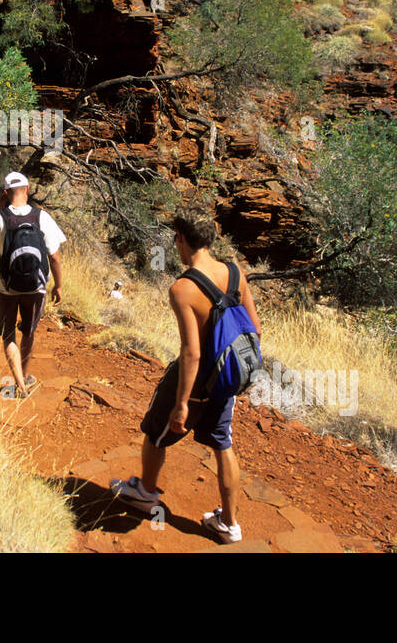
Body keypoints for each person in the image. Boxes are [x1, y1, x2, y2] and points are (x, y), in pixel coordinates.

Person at [110, 209, 261, 544]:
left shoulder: (183, 288)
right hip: (226, 381)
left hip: (193, 383)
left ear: (180, 239)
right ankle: (229, 523)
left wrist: (181, 404)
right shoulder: (237, 273)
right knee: (223, 445)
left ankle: (146, 493)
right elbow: (256, 330)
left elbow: (191, 352)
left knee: (155, 432)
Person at [0, 172, 65, 399]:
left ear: (6, 193)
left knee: (9, 335)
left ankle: (20, 385)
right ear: (27, 189)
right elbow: (55, 257)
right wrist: (58, 286)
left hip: (5, 286)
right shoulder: (42, 217)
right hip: (36, 287)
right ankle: (25, 375)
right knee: (29, 331)